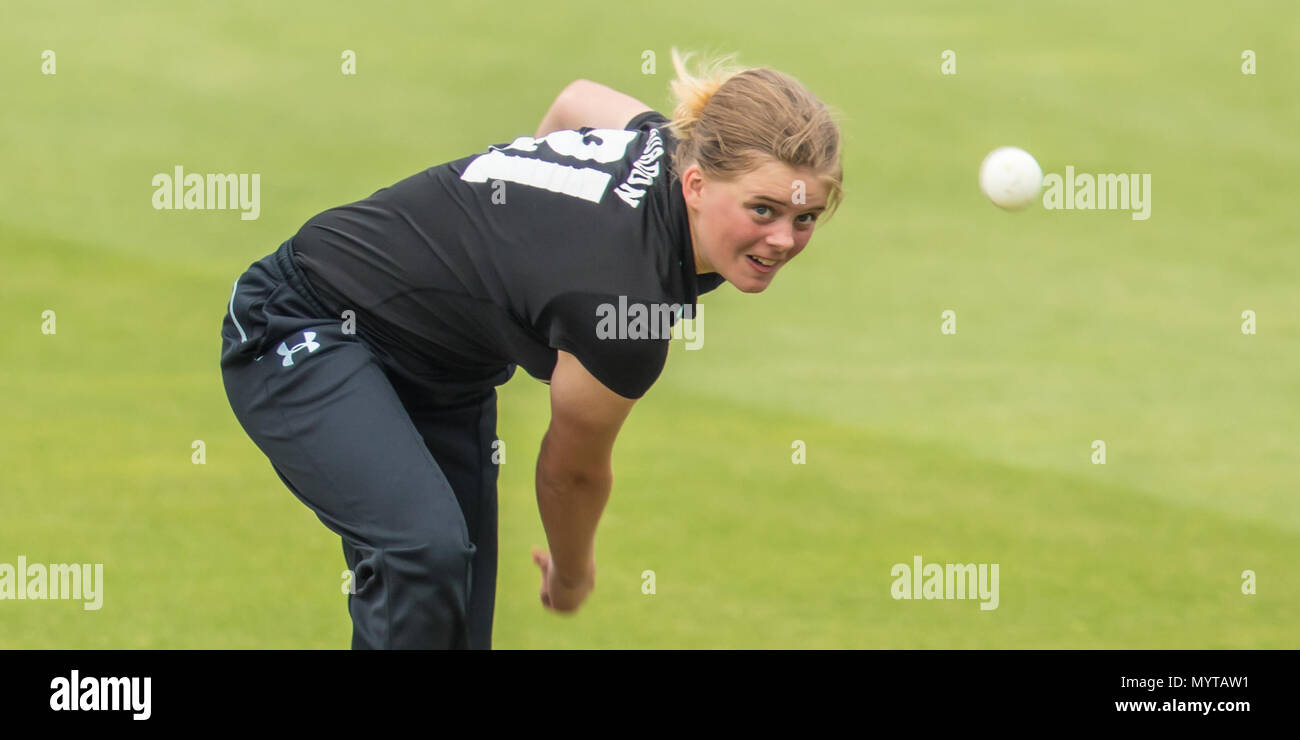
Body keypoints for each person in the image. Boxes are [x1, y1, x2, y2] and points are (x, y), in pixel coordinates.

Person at [218, 48, 844, 649]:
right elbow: (571, 472)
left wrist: (518, 235)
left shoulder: (664, 143)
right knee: (421, 552)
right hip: (303, 320)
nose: (784, 239)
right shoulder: (626, 308)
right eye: (762, 211)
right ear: (697, 183)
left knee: (452, 613)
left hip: (441, 368)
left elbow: (578, 103)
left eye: (805, 217)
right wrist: (571, 574)